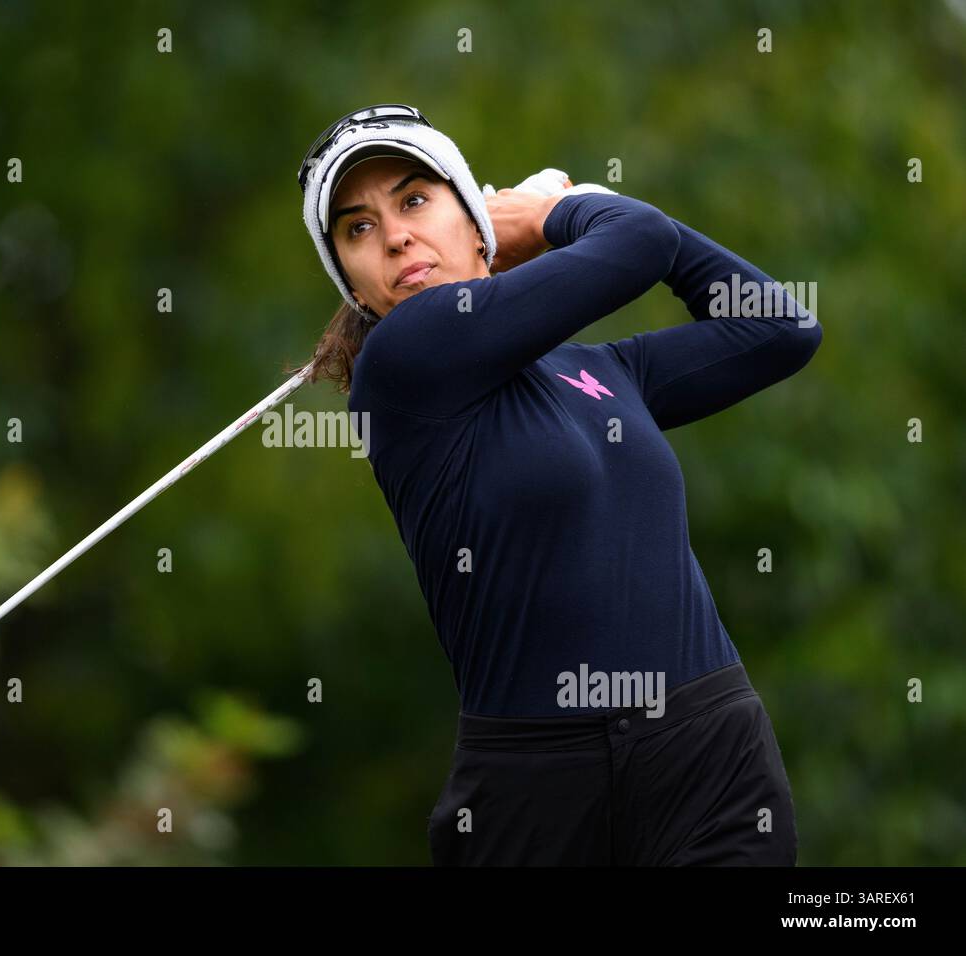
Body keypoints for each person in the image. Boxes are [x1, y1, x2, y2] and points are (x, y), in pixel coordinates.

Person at [294, 105, 819, 865]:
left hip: (709, 756)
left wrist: (554, 223)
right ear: (352, 283)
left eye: (414, 200)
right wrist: (557, 214)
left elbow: (777, 326)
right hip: (540, 796)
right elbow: (641, 241)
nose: (396, 236)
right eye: (358, 229)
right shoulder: (403, 364)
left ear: (475, 218)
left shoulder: (603, 373)